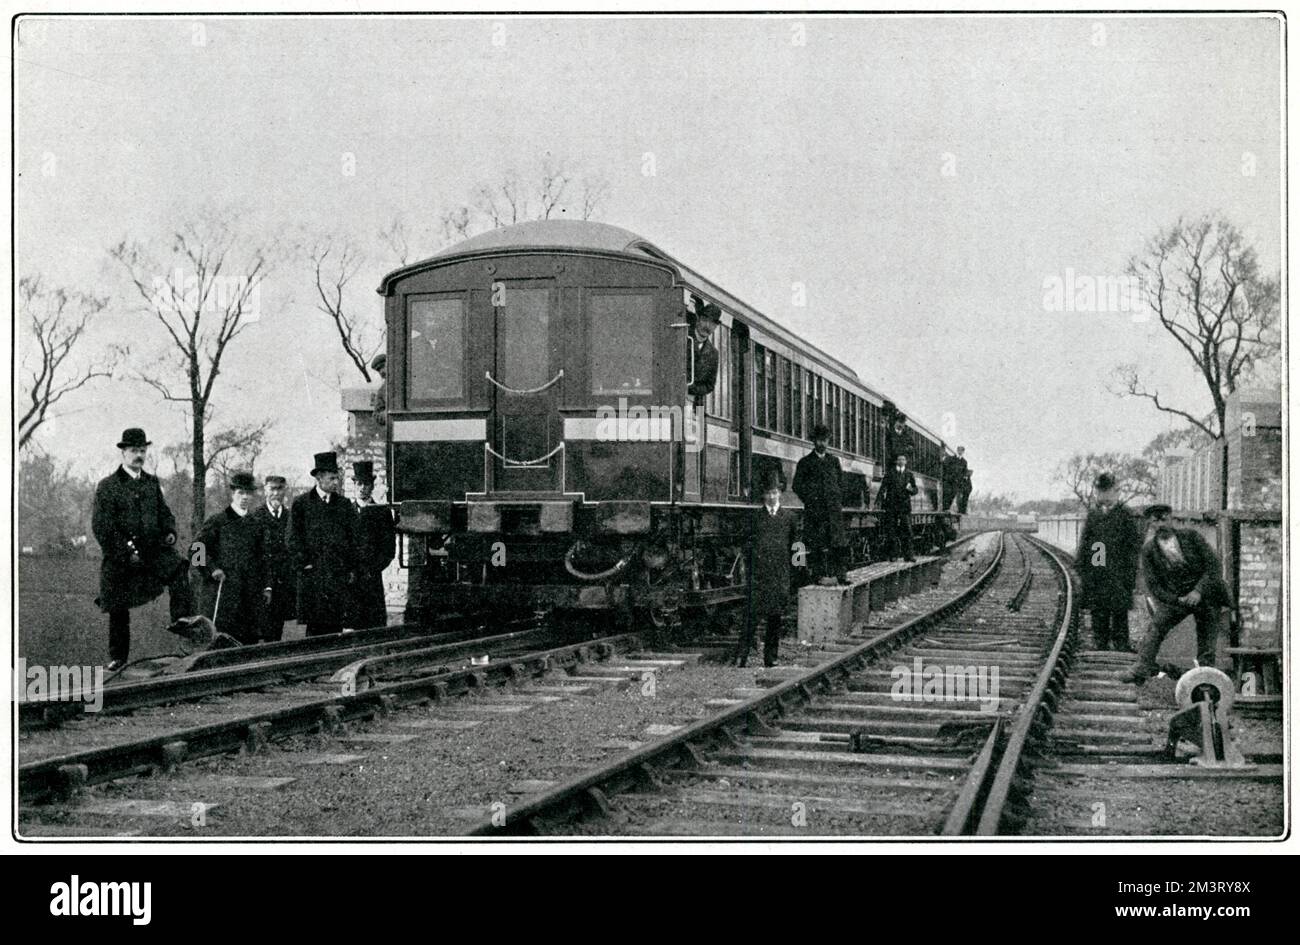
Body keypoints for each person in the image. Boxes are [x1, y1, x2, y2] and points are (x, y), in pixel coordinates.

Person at [91, 427, 195, 670]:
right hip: (121, 557)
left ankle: (182, 622)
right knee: (117, 605)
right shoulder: (108, 486)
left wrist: (169, 532)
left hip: (152, 554)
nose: (139, 455)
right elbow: (102, 527)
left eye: (142, 450)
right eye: (134, 451)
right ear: (123, 453)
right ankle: (118, 658)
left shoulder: (151, 483)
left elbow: (165, 514)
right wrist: (126, 552)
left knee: (179, 568)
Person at [1119, 504, 1235, 684]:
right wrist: (1175, 599)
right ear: (1150, 524)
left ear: (1171, 519)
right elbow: (1154, 585)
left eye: (1164, 519)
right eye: (1155, 521)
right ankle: (1141, 668)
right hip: (1177, 598)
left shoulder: (1191, 537)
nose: (1161, 524)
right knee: (1156, 627)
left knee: (1207, 636)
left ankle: (1205, 678)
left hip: (1206, 594)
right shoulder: (1149, 550)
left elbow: (1213, 566)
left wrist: (1198, 591)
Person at [287, 451, 358, 636]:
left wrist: (350, 568)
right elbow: (292, 539)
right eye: (332, 478)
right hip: (313, 578)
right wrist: (305, 564)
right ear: (319, 478)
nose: (337, 482)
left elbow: (354, 540)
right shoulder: (301, 504)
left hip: (337, 578)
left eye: (337, 478)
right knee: (314, 630)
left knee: (335, 629)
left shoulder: (344, 505)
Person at [191, 471, 264, 644]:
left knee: (248, 646)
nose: (245, 497)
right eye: (241, 492)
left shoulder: (255, 524)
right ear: (233, 494)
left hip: (248, 598)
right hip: (222, 596)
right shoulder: (218, 521)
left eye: (248, 493)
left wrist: (265, 586)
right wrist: (212, 569)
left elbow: (262, 559)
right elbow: (195, 550)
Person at [1074, 473, 1140, 651]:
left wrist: (1130, 574)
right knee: (1099, 609)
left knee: (1119, 610)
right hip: (1098, 570)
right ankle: (1100, 642)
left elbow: (1133, 547)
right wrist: (1082, 569)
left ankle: (1121, 644)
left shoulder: (1125, 515)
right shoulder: (1093, 515)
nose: (1102, 495)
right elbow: (1086, 544)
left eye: (1106, 491)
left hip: (1119, 571)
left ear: (1115, 492)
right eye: (1099, 491)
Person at [736, 473, 795, 668]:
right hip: (759, 576)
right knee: (751, 619)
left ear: (780, 494)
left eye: (774, 493)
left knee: (775, 619)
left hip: (780, 575)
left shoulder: (789, 518)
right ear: (764, 496)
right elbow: (747, 544)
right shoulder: (755, 517)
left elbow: (798, 546)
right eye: (768, 493)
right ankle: (741, 657)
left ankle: (771, 658)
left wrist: (797, 573)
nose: (771, 497)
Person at [793, 422, 848, 585]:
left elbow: (841, 483)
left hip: (833, 512)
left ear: (828, 441)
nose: (821, 443)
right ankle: (817, 576)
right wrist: (810, 500)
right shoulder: (805, 462)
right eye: (818, 440)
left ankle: (840, 576)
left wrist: (837, 498)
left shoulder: (834, 461)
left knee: (837, 545)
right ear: (813, 441)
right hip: (815, 512)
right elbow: (797, 485)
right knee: (817, 545)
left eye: (824, 440)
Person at [351, 460, 396, 629]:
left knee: (373, 623)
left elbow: (389, 549)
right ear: (354, 485)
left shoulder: (382, 513)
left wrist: (373, 568)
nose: (362, 488)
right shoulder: (346, 511)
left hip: (372, 576)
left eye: (366, 484)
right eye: (359, 484)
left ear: (372, 486)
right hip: (351, 576)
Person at [250, 474, 294, 643]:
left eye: (280, 489)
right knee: (258, 632)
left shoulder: (290, 517)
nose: (276, 493)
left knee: (276, 632)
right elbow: (197, 546)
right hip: (261, 583)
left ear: (285, 491)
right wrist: (203, 567)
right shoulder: (255, 517)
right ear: (265, 491)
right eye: (272, 489)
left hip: (283, 584)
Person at [876, 452, 918, 561]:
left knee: (907, 530)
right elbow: (883, 488)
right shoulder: (890, 473)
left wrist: (911, 490)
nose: (901, 461)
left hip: (904, 506)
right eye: (899, 459)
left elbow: (915, 489)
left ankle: (908, 555)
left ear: (906, 462)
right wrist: (878, 501)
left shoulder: (909, 474)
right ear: (896, 461)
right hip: (891, 505)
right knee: (892, 530)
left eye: (903, 459)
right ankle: (893, 555)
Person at [687, 294, 721, 404]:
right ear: (698, 319)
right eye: (705, 320)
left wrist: (690, 389)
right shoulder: (682, 338)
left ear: (715, 327)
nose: (707, 326)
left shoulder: (713, 353)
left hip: (694, 404)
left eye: (712, 323)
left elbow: (709, 385)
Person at [942, 446, 969, 512]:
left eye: (961, 451)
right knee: (947, 493)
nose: (960, 452)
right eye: (959, 450)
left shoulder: (964, 462)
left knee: (953, 494)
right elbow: (945, 467)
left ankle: (947, 508)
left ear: (963, 452)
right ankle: (945, 508)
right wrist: (946, 477)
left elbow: (964, 472)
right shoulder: (950, 458)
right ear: (957, 451)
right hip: (949, 480)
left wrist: (962, 478)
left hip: (957, 482)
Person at [370, 353, 388, 427]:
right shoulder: (382, 390)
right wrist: (386, 414)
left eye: (382, 367)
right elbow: (376, 415)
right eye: (378, 370)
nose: (381, 372)